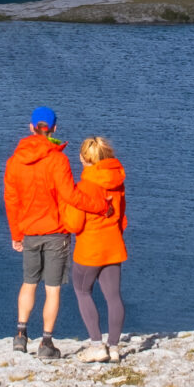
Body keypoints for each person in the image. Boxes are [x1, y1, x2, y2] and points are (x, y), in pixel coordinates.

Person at [3, 106, 109, 359]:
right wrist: (101, 206)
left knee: (29, 283)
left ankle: (20, 335)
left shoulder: (14, 161)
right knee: (52, 289)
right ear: (54, 129)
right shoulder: (58, 160)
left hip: (29, 232)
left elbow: (11, 200)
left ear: (30, 127)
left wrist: (16, 234)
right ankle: (46, 344)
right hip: (56, 233)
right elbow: (70, 196)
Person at [69, 135, 129, 363]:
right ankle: (114, 346)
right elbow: (122, 215)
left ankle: (96, 344)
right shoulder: (117, 182)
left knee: (83, 291)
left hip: (89, 249)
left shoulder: (84, 187)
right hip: (113, 245)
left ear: (83, 159)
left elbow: (74, 224)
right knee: (113, 297)